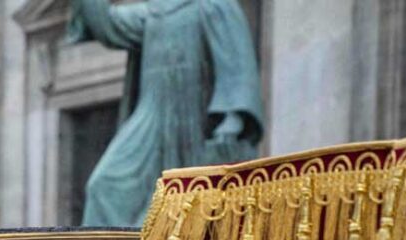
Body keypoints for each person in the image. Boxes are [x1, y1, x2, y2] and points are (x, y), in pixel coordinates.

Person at [68, 0, 263, 226]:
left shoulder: (214, 6)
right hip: (151, 116)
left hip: (195, 118)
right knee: (104, 185)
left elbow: (236, 65)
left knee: (188, 202)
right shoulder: (154, 12)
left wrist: (233, 118)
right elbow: (109, 26)